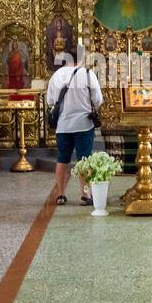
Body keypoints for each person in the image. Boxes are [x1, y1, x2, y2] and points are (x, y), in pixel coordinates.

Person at [45, 51, 103, 206]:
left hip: (63, 125)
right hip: (83, 124)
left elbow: (50, 100)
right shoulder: (88, 74)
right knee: (84, 159)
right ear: (81, 59)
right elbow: (98, 100)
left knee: (62, 159)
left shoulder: (56, 75)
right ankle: (85, 195)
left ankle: (60, 195)